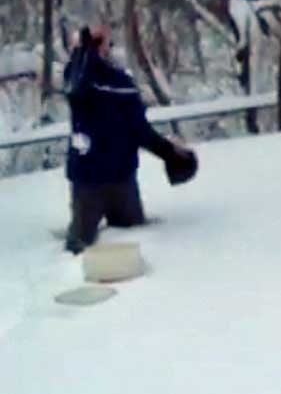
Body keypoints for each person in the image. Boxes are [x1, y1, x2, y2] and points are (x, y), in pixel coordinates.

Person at [63, 25, 195, 254]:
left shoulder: (122, 83)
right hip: (88, 180)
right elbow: (77, 83)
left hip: (122, 179)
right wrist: (85, 50)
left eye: (102, 42)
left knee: (134, 240)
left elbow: (140, 130)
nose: (101, 47)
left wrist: (170, 152)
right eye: (96, 43)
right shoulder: (80, 80)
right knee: (79, 248)